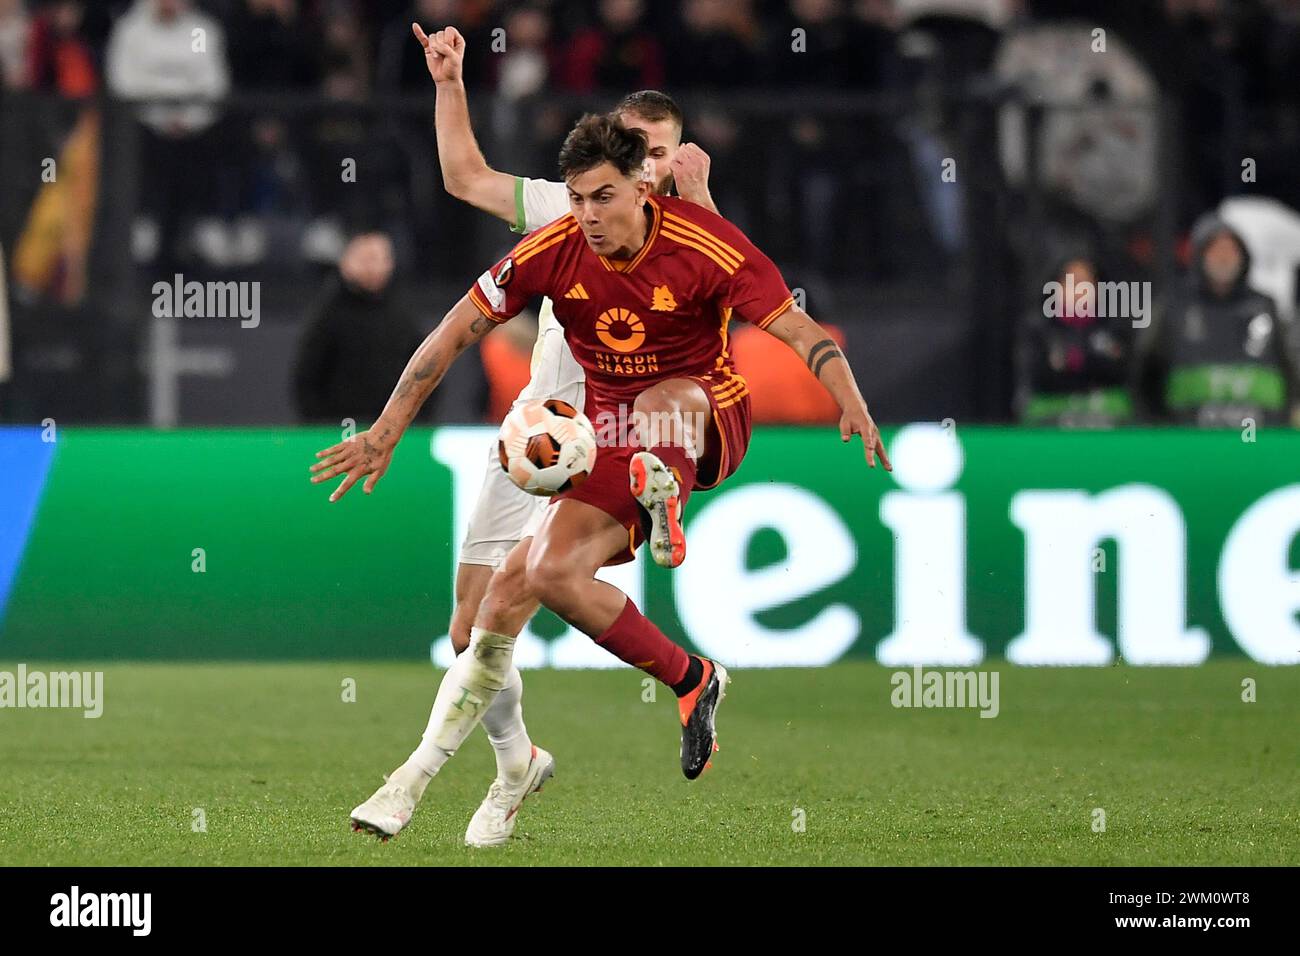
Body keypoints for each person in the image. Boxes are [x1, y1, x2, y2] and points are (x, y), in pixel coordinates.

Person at [311, 113, 890, 843]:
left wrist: (853, 402)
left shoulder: (703, 243)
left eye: (604, 197)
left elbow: (799, 330)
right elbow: (458, 326)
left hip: (706, 418)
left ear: (643, 188)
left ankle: (665, 504)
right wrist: (386, 429)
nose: (588, 215)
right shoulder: (552, 247)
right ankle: (688, 679)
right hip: (602, 440)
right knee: (534, 582)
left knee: (662, 398)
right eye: (579, 198)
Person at [345, 23, 719, 849]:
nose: (649, 165)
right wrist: (449, 81)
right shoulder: (573, 208)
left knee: (515, 597)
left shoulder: (695, 235)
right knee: (467, 626)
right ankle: (518, 763)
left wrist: (706, 199)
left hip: (611, 447)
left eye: (664, 152)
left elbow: (734, 321)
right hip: (534, 442)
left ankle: (412, 783)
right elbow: (463, 176)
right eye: (638, 149)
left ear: (680, 157)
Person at [1136, 213, 1300, 428]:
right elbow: (1145, 373)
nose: (1224, 257)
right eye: (1216, 250)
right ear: (1200, 256)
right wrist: (1154, 425)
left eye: (1230, 250)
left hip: (1260, 440)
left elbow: (1289, 367)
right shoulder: (1174, 305)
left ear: (1243, 257)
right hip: (1187, 440)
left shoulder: (1264, 306)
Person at [292, 232, 425, 424]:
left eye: (381, 258)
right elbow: (306, 380)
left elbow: (426, 368)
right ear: (346, 262)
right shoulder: (327, 314)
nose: (375, 267)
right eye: (366, 259)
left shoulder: (403, 313)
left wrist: (415, 421)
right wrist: (322, 427)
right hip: (339, 431)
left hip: (399, 432)